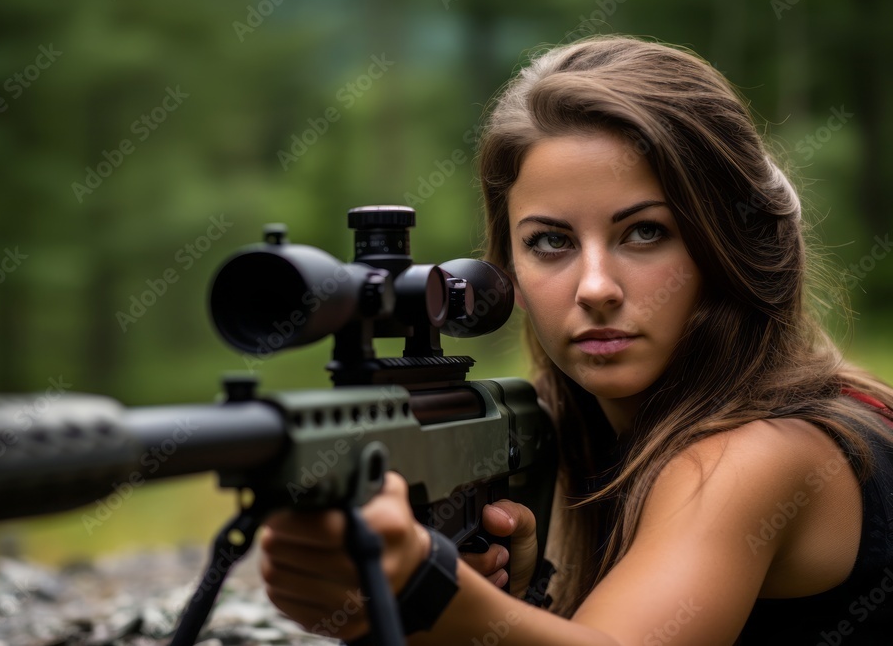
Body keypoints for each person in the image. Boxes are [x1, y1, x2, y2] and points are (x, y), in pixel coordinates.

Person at [258, 35, 893, 645]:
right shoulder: (590, 430)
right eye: (550, 241)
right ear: (506, 270)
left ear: (732, 243)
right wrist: (516, 602)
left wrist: (429, 592)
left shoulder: (753, 456)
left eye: (645, 232)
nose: (595, 287)